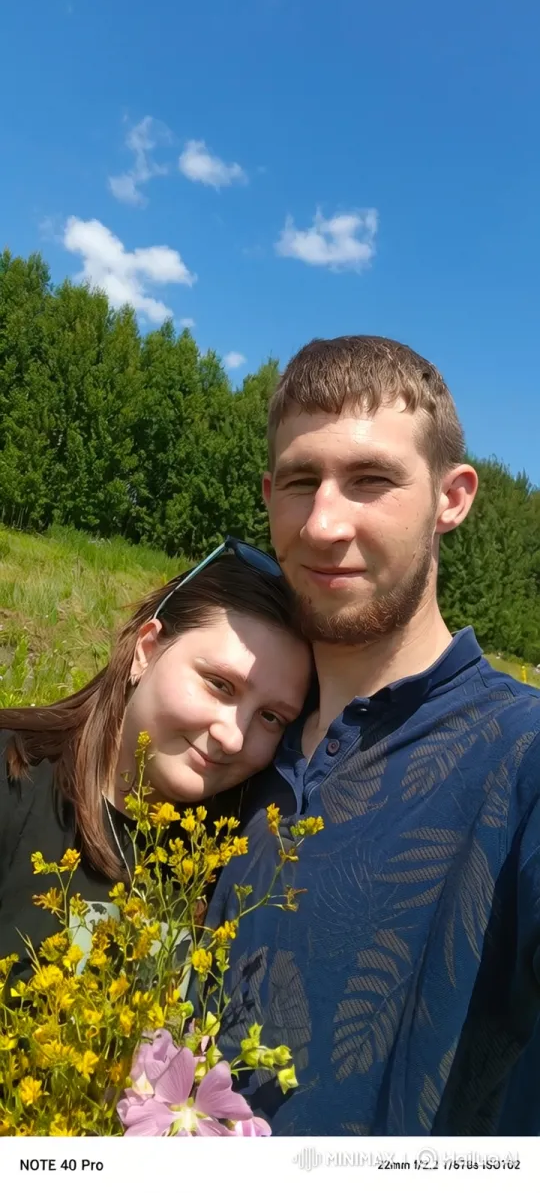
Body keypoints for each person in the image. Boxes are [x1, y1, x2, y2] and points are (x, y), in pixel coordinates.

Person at [208, 335, 540, 1137]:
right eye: (299, 482)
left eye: (371, 481)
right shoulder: (230, 746)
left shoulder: (521, 756)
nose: (324, 524)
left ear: (452, 498)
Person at [0, 542, 312, 972]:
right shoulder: (12, 779)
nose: (234, 738)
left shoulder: (230, 868)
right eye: (219, 685)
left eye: (272, 717)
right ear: (146, 650)